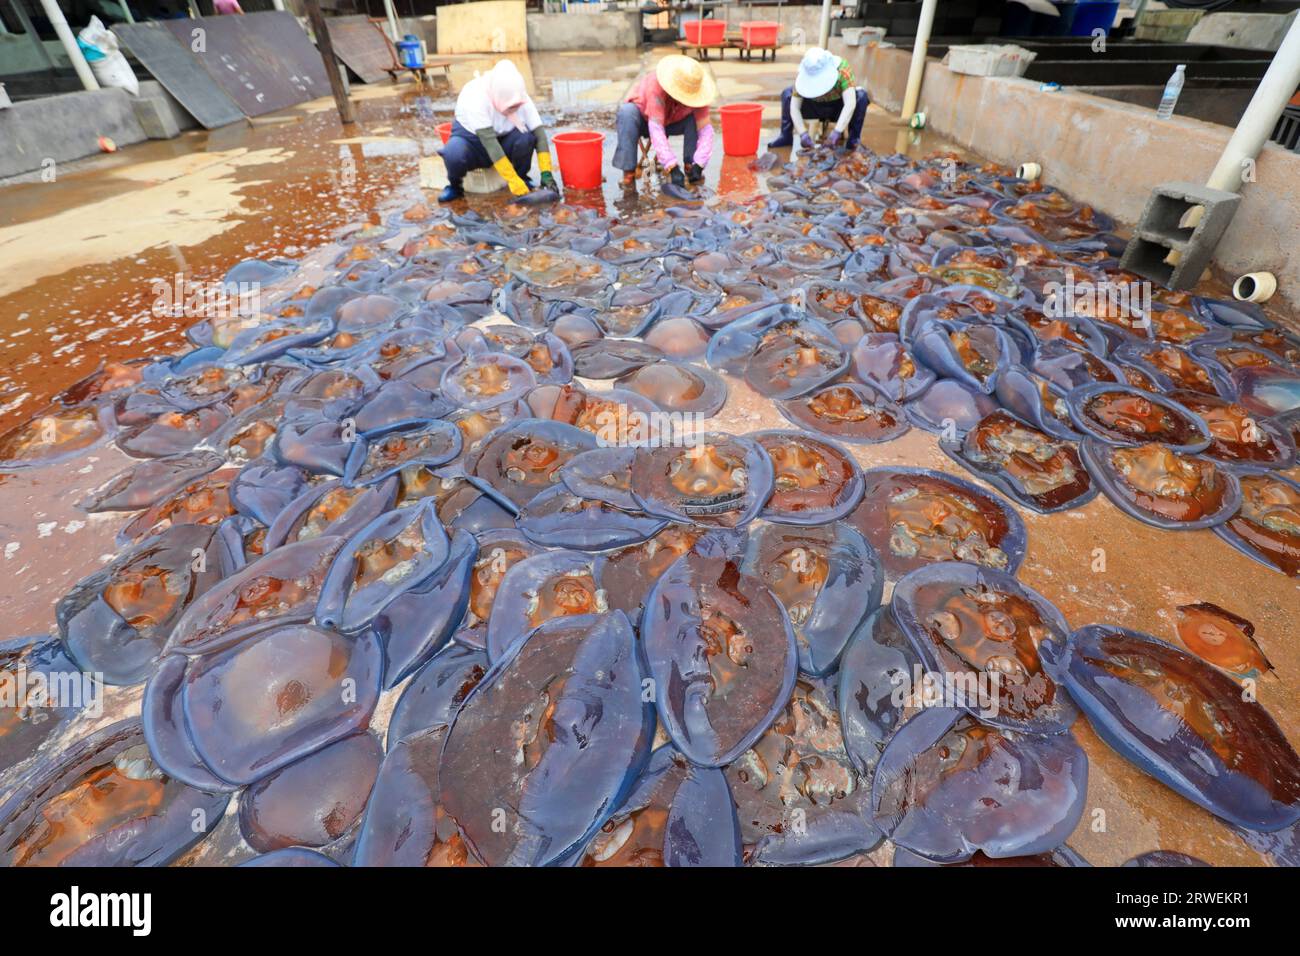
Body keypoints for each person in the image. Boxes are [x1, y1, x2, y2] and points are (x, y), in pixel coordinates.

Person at [439, 60, 555, 203]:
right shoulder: (474, 96)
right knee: (453, 153)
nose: (514, 108)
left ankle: (522, 178)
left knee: (526, 139)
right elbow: (490, 143)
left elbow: (540, 135)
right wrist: (511, 179)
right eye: (511, 106)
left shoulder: (518, 94)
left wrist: (546, 173)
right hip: (473, 142)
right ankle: (455, 187)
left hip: (504, 138)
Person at [613, 54, 716, 192]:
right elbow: (656, 129)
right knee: (626, 113)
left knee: (693, 119)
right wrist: (672, 166)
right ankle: (628, 173)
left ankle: (691, 168)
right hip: (646, 120)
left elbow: (706, 130)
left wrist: (700, 163)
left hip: (673, 121)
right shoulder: (656, 85)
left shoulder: (698, 92)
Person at [768, 47, 868, 151]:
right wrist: (803, 134)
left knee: (861, 96)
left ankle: (853, 141)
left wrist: (837, 132)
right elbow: (794, 107)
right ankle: (786, 137)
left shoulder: (842, 69)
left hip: (837, 108)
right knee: (787, 94)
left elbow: (850, 103)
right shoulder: (804, 71)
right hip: (813, 107)